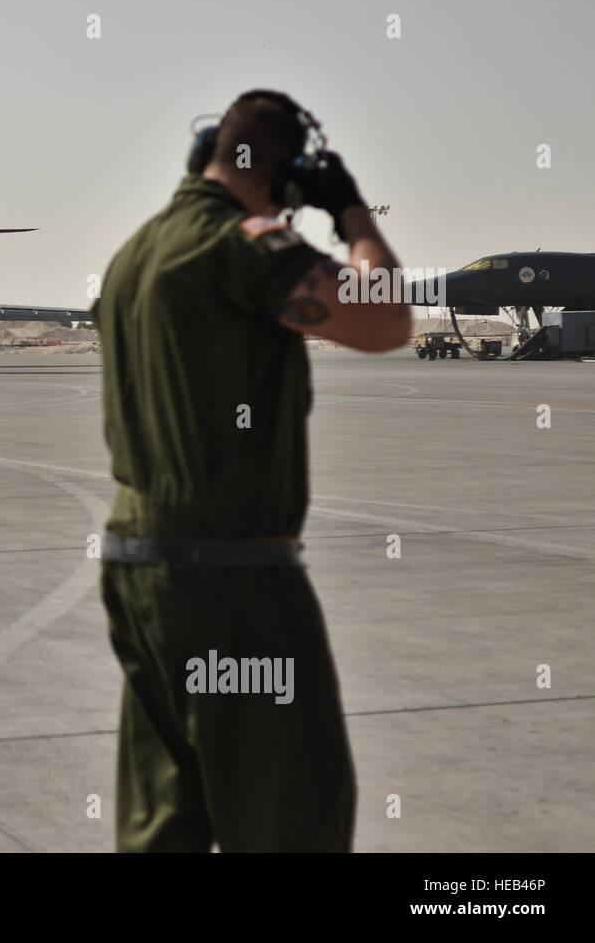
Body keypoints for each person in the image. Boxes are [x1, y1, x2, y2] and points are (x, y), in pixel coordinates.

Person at [92, 90, 410, 852]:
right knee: (293, 815)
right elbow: (386, 317)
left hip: (139, 575)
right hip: (232, 582)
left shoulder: (133, 253)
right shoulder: (243, 243)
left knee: (165, 824)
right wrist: (353, 213)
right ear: (287, 172)